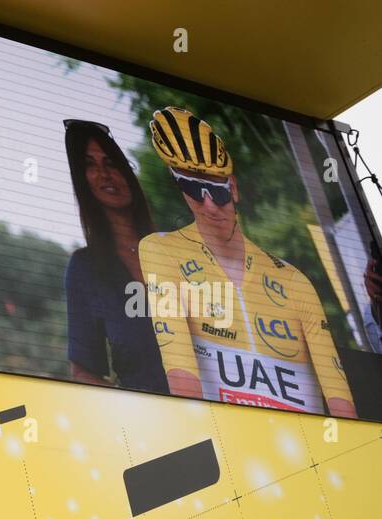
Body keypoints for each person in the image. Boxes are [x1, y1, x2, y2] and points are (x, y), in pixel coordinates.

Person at [139, 106, 357, 417]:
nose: (210, 205)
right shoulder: (161, 250)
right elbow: (180, 369)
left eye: (218, 190)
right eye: (193, 190)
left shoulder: (294, 280)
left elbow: (339, 398)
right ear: (182, 194)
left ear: (235, 188)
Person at [63, 119, 168, 393]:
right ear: (82, 181)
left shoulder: (175, 250)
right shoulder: (86, 268)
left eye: (111, 163)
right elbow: (84, 373)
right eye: (90, 165)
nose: (104, 174)